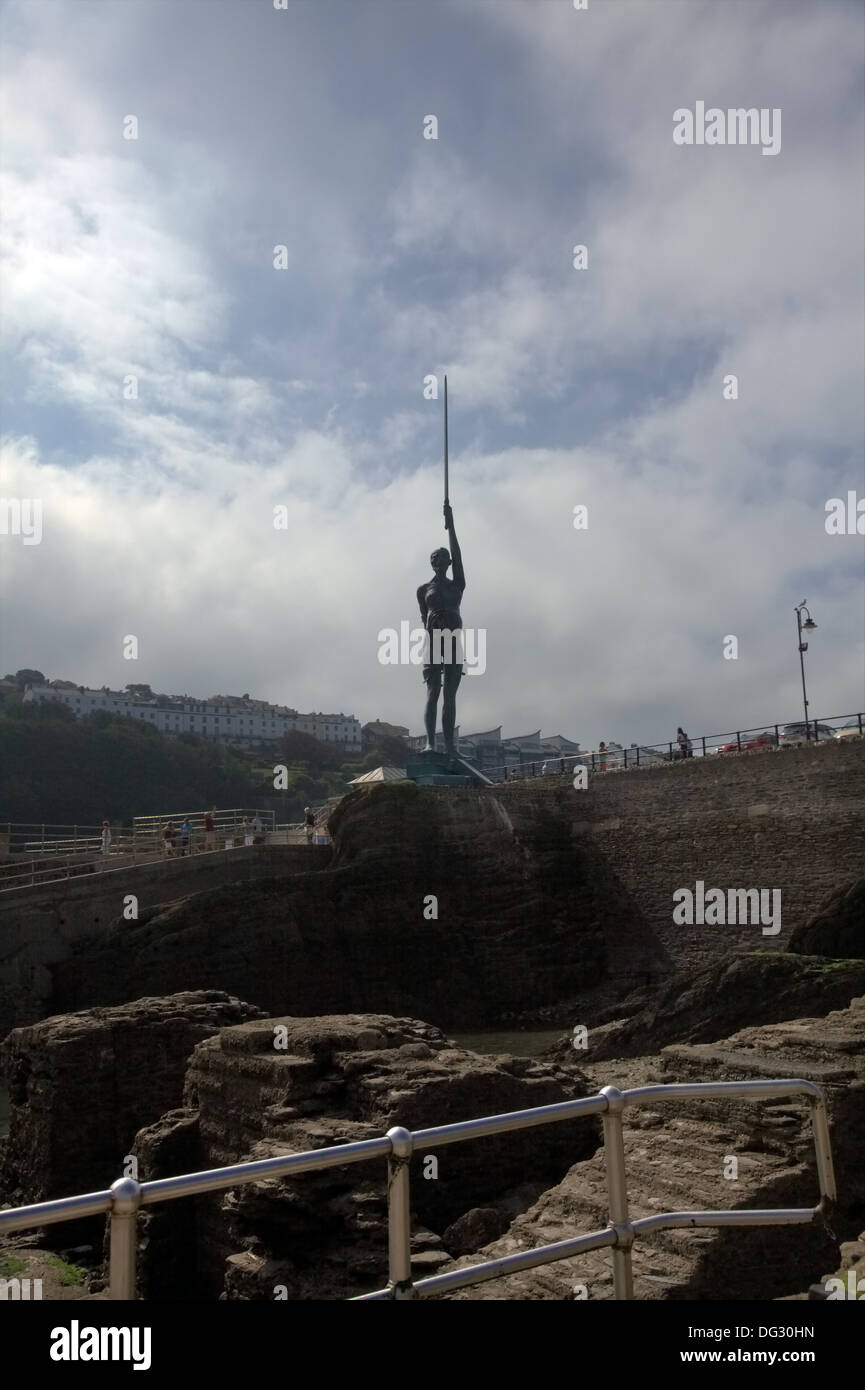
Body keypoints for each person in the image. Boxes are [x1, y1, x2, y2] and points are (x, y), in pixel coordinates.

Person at [417, 502, 465, 760]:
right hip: (434, 641)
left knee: (450, 695)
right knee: (433, 691)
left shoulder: (457, 585)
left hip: (454, 641)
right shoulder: (423, 590)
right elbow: (423, 619)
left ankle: (450, 746)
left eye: (442, 558)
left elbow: (459, 555)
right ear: (431, 563)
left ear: (447, 562)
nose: (438, 561)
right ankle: (430, 744)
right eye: (434, 558)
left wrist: (451, 525)